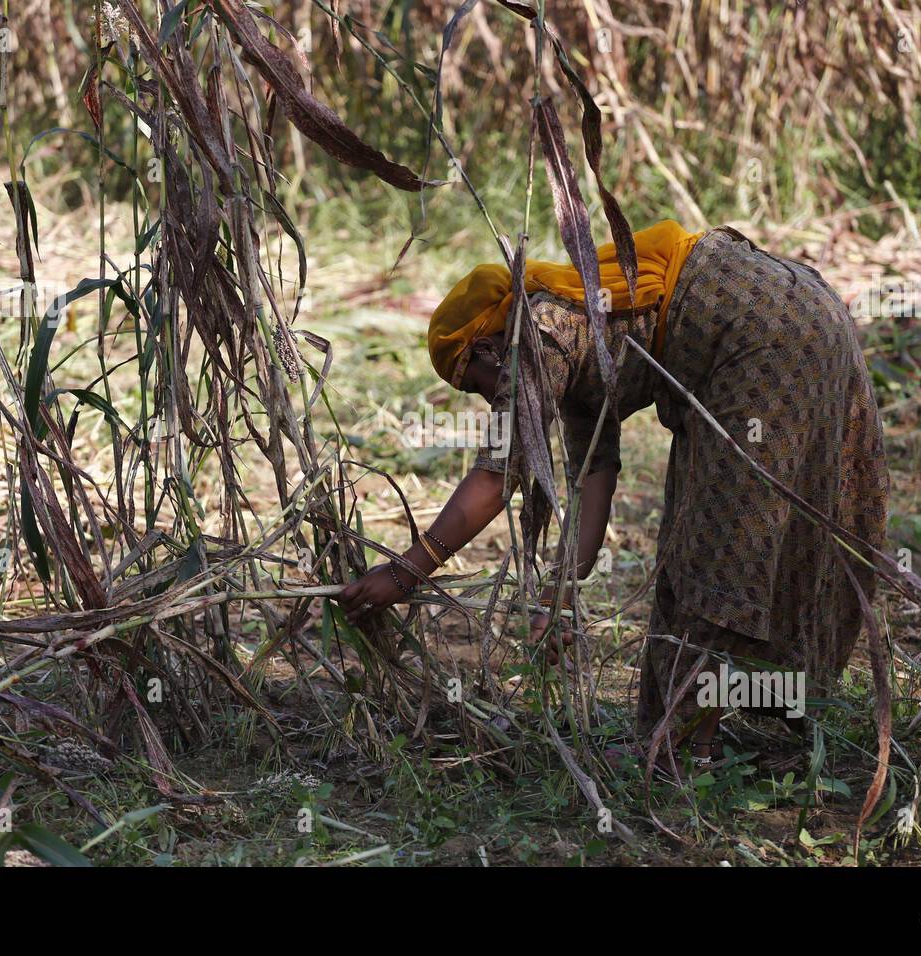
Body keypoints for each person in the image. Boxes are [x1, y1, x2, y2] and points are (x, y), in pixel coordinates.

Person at [336, 219, 889, 767]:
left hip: (763, 337)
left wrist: (404, 571)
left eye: (474, 383)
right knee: (723, 530)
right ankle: (705, 728)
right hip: (807, 305)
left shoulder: (539, 334)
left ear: (487, 348)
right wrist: (560, 592)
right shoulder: (578, 336)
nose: (490, 399)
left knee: (722, 544)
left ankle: (686, 749)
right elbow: (593, 473)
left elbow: (496, 475)